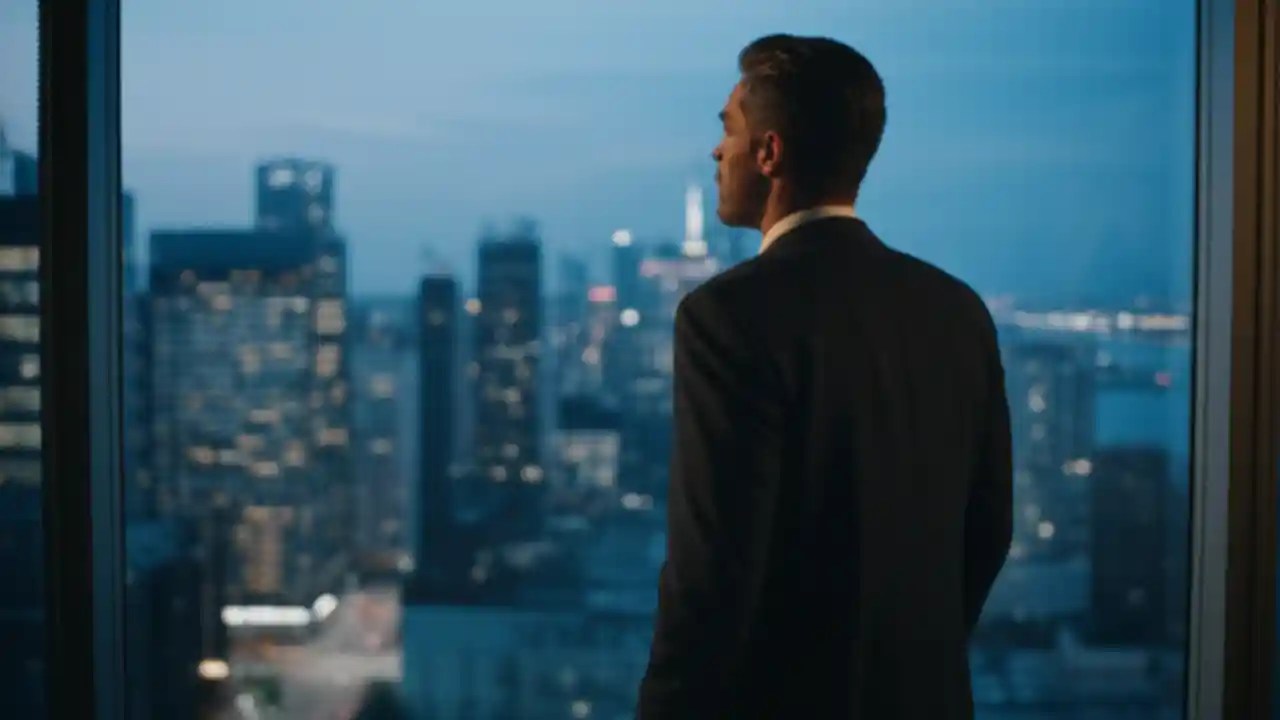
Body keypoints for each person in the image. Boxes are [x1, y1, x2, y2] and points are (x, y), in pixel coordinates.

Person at [637, 34, 1013, 719]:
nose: (718, 151)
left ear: (769, 152)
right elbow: (987, 530)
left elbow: (713, 575)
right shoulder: (956, 309)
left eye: (728, 130)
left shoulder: (727, 317)